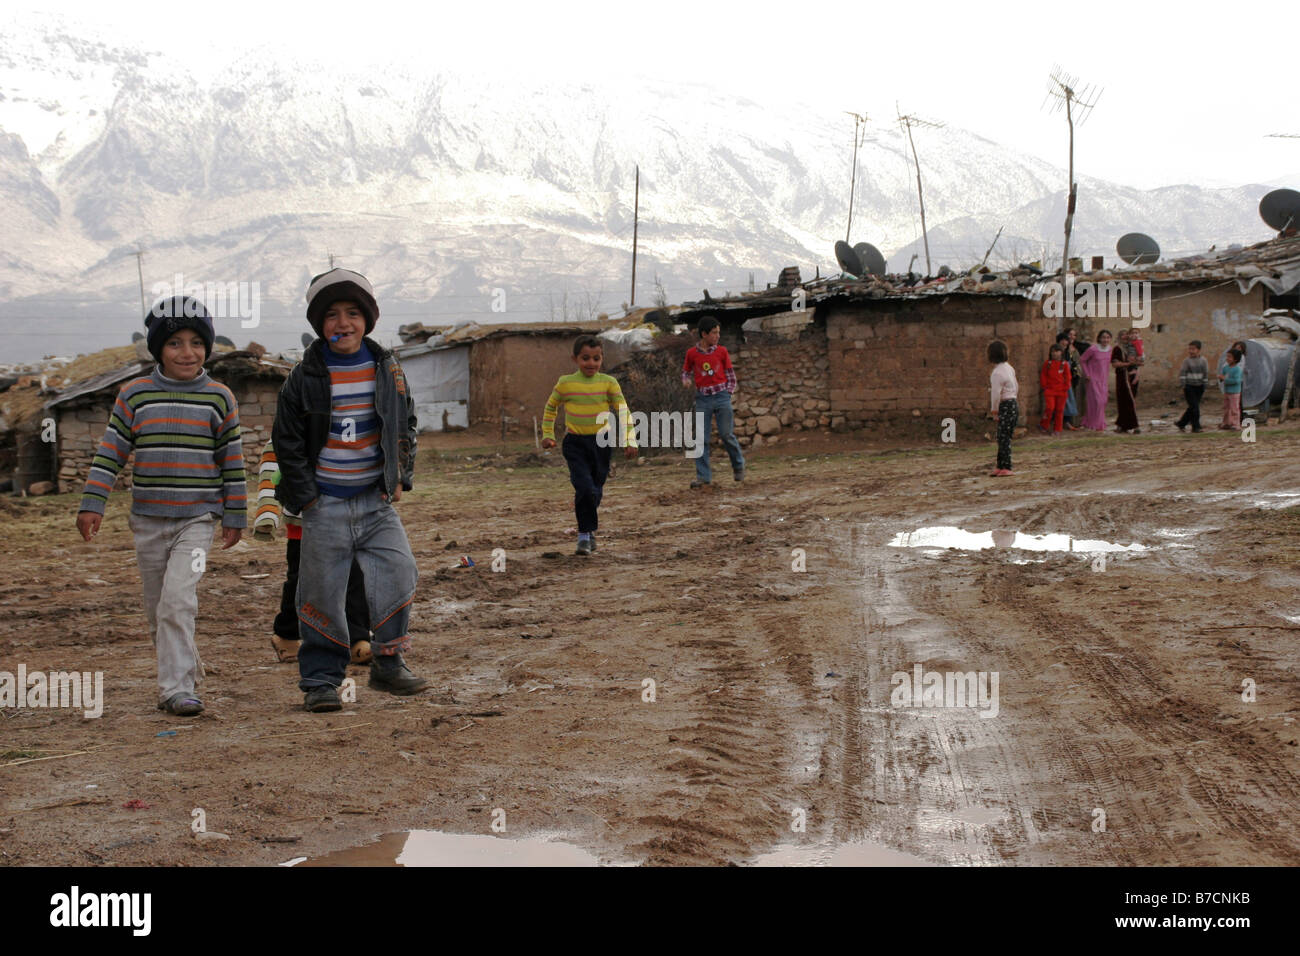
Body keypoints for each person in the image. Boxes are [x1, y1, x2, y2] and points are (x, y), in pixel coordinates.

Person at [75, 296, 245, 716]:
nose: (187, 353)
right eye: (174, 344)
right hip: (147, 521)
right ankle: (183, 671)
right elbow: (110, 453)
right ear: (158, 350)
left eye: (196, 343)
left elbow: (233, 461)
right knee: (158, 610)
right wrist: (92, 502)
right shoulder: (134, 396)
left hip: (199, 521)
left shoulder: (219, 398)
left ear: (208, 347)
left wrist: (236, 515)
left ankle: (177, 688)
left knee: (177, 601)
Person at [273, 268, 426, 713]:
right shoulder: (304, 377)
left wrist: (400, 475)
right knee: (320, 592)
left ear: (369, 319)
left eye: (354, 313)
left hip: (376, 503)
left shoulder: (387, 369)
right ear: (319, 323)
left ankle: (389, 661)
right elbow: (287, 440)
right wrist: (306, 497)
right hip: (325, 505)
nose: (344, 323)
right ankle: (320, 680)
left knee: (400, 572)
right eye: (333, 315)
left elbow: (406, 422)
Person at [253, 438, 372, 666]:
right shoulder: (290, 427)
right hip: (303, 519)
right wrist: (267, 511)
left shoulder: (348, 421)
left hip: (345, 515)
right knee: (302, 580)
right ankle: (286, 634)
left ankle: (357, 638)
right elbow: (271, 463)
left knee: (354, 575)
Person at [541, 335, 638, 555]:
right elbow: (550, 408)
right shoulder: (566, 383)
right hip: (575, 443)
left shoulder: (608, 382)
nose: (591, 363)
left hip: (602, 443)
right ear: (575, 359)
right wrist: (548, 434)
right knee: (584, 487)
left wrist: (630, 439)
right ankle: (584, 536)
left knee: (594, 491)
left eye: (596, 358)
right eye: (586, 358)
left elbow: (622, 410)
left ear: (602, 359)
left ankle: (588, 529)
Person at [681, 316, 745, 488]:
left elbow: (731, 375)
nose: (717, 336)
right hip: (703, 399)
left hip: (721, 397)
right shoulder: (692, 354)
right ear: (704, 334)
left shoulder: (722, 352)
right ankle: (703, 477)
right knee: (701, 438)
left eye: (718, 332)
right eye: (714, 333)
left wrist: (727, 393)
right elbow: (686, 372)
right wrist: (686, 381)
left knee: (726, 434)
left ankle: (738, 466)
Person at [987, 339, 1018, 476]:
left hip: (1004, 404)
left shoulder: (997, 373)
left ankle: (1007, 466)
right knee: (1003, 436)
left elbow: (995, 393)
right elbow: (1016, 386)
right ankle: (1000, 465)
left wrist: (994, 409)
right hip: (1013, 403)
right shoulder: (1009, 367)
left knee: (1003, 437)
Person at [1077, 330, 1114, 432]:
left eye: (1107, 337)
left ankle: (1098, 423)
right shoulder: (1093, 349)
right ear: (1099, 338)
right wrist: (1087, 374)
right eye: (1103, 337)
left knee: (1103, 402)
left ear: (1110, 339)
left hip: (1103, 380)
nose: (1105, 340)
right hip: (1092, 379)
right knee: (1096, 402)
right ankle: (1093, 424)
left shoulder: (1110, 349)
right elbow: (1082, 360)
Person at [1175, 340, 1209, 433]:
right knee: (1194, 407)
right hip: (1189, 386)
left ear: (1198, 350)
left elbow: (1205, 373)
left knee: (1193, 407)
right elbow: (1183, 373)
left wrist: (1205, 384)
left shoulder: (1203, 360)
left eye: (1193, 349)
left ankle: (1181, 423)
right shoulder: (1187, 361)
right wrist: (1183, 384)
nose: (1191, 351)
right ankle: (1196, 426)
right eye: (1189, 349)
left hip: (1199, 386)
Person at [1039, 344, 1072, 434]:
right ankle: (1044, 425)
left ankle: (1057, 429)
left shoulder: (1064, 364)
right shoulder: (1047, 363)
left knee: (1059, 410)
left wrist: (1066, 387)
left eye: (1057, 351)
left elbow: (1068, 377)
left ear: (1061, 352)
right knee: (1050, 408)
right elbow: (1043, 376)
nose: (1055, 353)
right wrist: (1045, 386)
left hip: (1061, 391)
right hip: (1050, 390)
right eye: (1053, 351)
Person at [1112, 330, 1140, 434]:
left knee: (1130, 401)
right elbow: (1115, 364)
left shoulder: (1132, 348)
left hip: (1132, 377)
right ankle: (1128, 425)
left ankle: (1124, 425)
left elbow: (1138, 362)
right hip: (1122, 378)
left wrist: (1137, 373)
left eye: (1126, 334)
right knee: (1123, 401)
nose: (1125, 336)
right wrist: (1127, 364)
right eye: (1122, 334)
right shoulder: (1117, 349)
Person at [1056, 331, 1081, 429]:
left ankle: (1067, 422)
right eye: (1062, 340)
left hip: (1067, 382)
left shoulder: (1068, 353)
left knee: (1068, 401)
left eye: (1066, 341)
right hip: (1058, 382)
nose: (1064, 343)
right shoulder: (1056, 353)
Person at [1219, 348, 1244, 430]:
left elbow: (1237, 381)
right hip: (1227, 391)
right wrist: (1221, 378)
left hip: (1234, 392)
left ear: (1235, 359)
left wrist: (1225, 379)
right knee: (1226, 408)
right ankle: (1226, 423)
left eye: (1230, 357)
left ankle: (1236, 424)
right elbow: (1222, 377)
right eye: (1227, 356)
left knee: (1234, 409)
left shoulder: (1237, 369)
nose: (1227, 358)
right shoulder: (1226, 368)